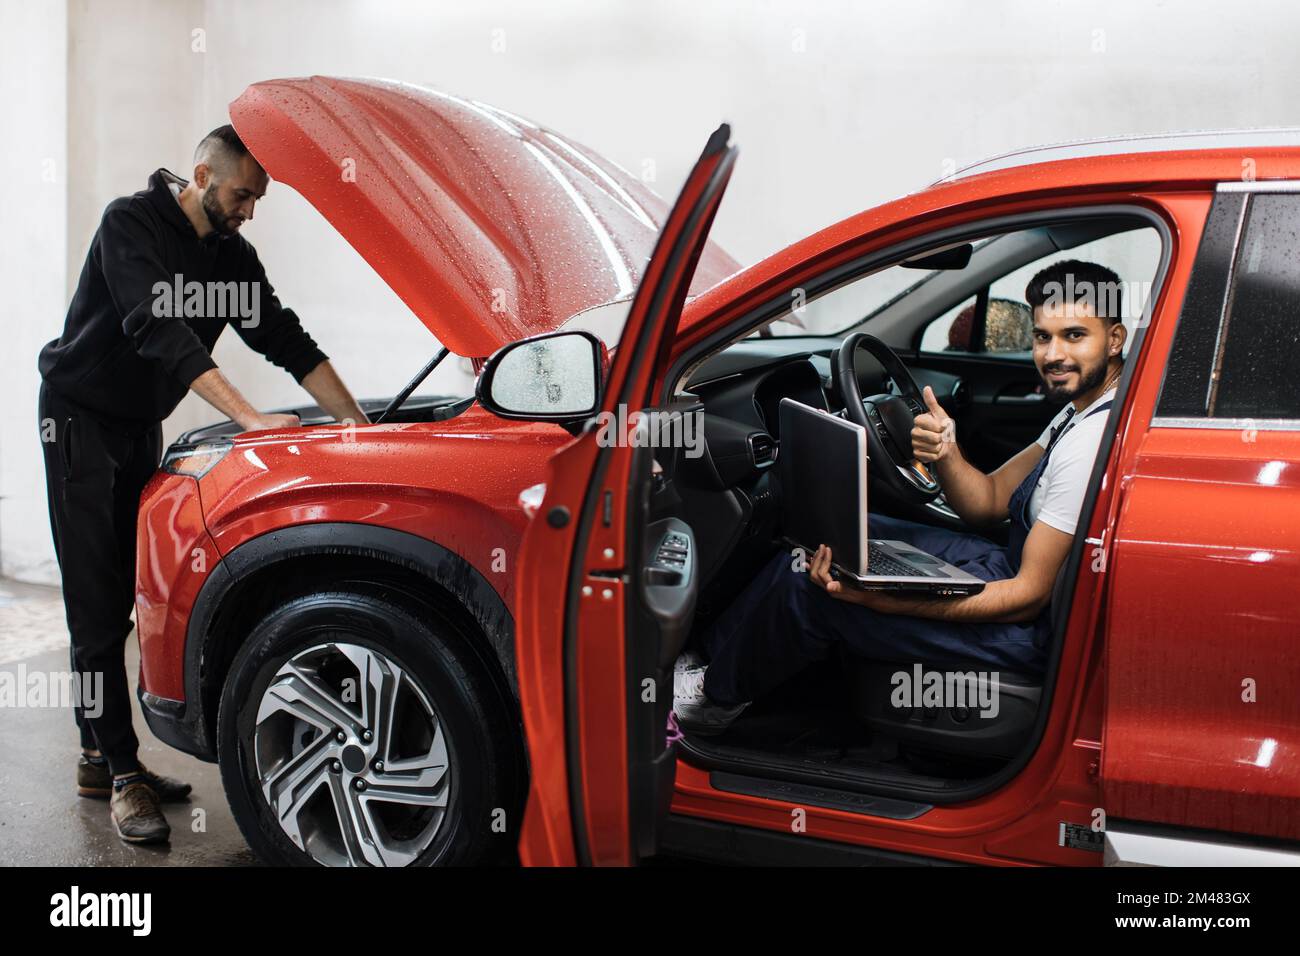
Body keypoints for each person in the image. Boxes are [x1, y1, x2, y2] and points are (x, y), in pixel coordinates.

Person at [37, 125, 370, 843]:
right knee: (94, 607)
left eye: (257, 199)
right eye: (243, 194)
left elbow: (285, 337)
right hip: (78, 421)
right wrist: (249, 417)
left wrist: (358, 425)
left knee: (127, 592)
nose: (250, 210)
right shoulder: (131, 225)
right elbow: (161, 331)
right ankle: (124, 773)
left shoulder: (231, 258)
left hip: (135, 425)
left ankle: (98, 756)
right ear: (202, 175)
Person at [675, 260, 1127, 735]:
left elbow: (1025, 599)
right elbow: (989, 501)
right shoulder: (1077, 413)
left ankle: (712, 702)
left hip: (1026, 628)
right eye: (1042, 337)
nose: (1053, 354)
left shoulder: (1088, 445)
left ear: (1114, 339)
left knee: (815, 590)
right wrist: (946, 452)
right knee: (846, 538)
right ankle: (713, 658)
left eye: (1074, 336)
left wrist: (886, 602)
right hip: (1008, 566)